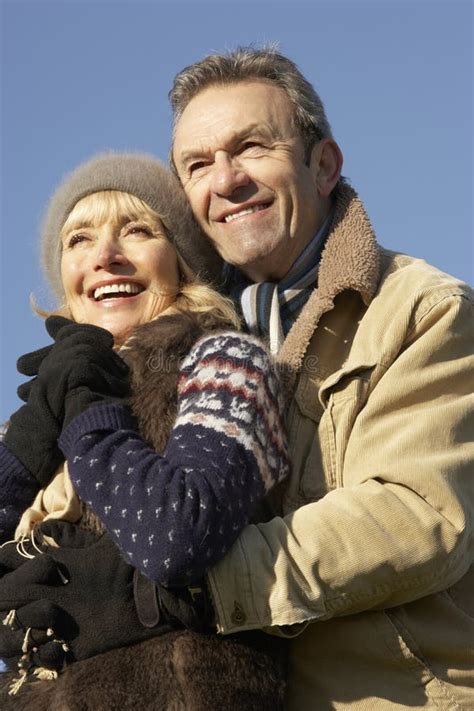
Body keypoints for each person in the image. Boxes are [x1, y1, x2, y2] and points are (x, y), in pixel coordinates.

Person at [167, 47, 474, 709]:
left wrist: (193, 583)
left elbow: (418, 514)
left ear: (323, 164)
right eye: (197, 164)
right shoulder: (178, 342)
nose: (225, 180)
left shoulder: (424, 308)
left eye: (251, 146)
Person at [0, 152, 290, 708]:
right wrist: (31, 433)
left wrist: (87, 404)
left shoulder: (225, 361)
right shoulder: (45, 403)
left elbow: (175, 540)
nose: (105, 257)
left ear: (180, 259)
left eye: (136, 231)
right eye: (78, 240)